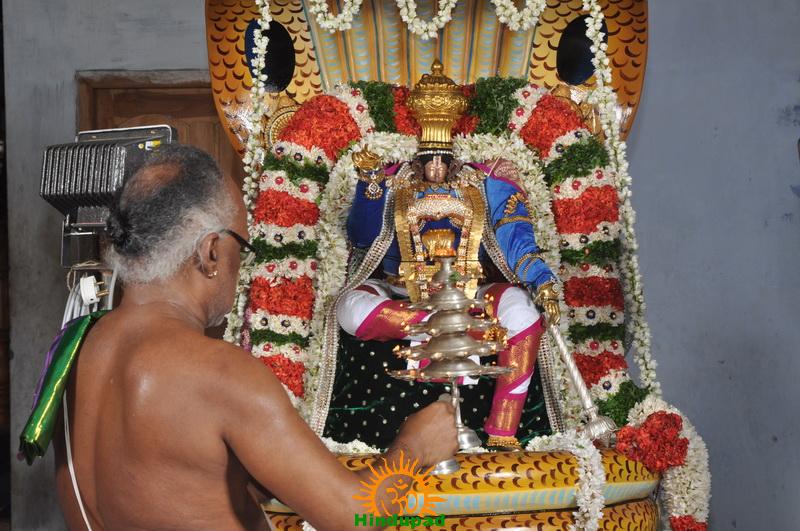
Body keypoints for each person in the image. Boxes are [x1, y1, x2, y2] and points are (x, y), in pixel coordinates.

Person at [45, 144, 457, 530]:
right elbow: (353, 516)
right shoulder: (219, 373)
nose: (240, 265)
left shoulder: (74, 351)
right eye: (240, 246)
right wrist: (416, 447)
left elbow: (166, 479)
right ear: (209, 252)